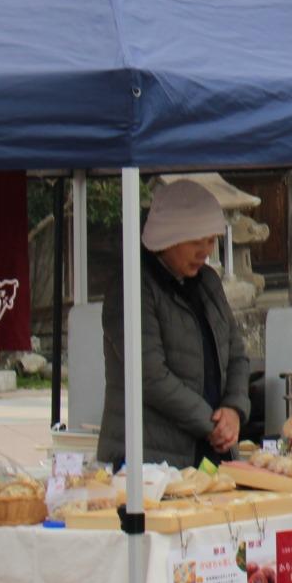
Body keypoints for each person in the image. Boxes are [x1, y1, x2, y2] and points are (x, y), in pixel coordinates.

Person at [98, 180, 249, 468]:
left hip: (207, 454)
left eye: (210, 241)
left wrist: (233, 409)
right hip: (149, 461)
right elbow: (150, 375)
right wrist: (212, 424)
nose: (204, 251)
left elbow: (238, 354)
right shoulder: (131, 285)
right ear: (169, 238)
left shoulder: (208, 283)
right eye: (196, 241)